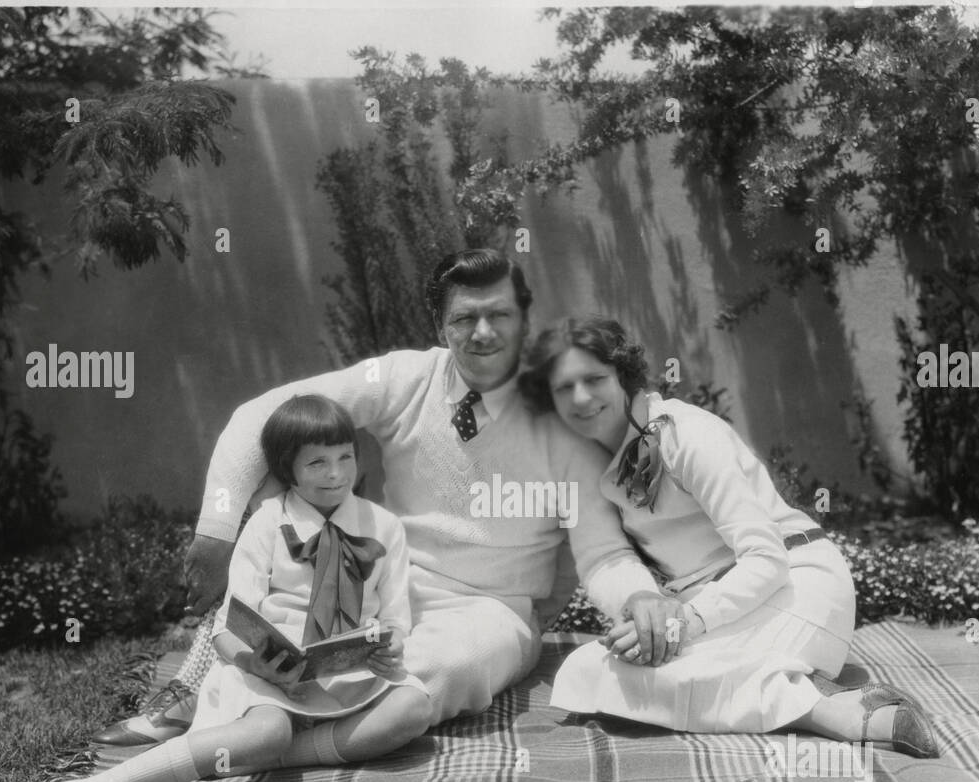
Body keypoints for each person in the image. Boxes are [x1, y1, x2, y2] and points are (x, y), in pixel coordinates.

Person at [98, 249, 669, 750]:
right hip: (382, 581)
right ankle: (220, 695)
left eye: (499, 315)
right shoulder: (404, 378)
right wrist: (218, 530)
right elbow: (262, 415)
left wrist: (640, 596)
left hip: (493, 611)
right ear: (439, 326)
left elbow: (601, 550)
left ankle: (270, 734)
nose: (483, 333)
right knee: (285, 493)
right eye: (464, 318)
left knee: (443, 666)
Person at [1, 395, 433, 782]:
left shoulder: (384, 526)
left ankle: (269, 755)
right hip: (268, 681)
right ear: (288, 471)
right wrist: (255, 665)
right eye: (318, 463)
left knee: (414, 708)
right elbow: (229, 631)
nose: (337, 474)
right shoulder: (267, 524)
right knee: (269, 727)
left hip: (350, 680)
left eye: (346, 457)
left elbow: (396, 619)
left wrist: (392, 647)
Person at [518, 316, 940, 756]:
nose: (581, 398)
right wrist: (646, 614)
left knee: (649, 680)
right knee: (588, 669)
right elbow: (608, 558)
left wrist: (684, 622)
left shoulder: (688, 434)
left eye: (594, 379)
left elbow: (766, 560)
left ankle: (846, 717)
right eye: (564, 387)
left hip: (796, 588)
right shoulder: (584, 462)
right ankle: (803, 693)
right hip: (717, 611)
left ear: (622, 376)